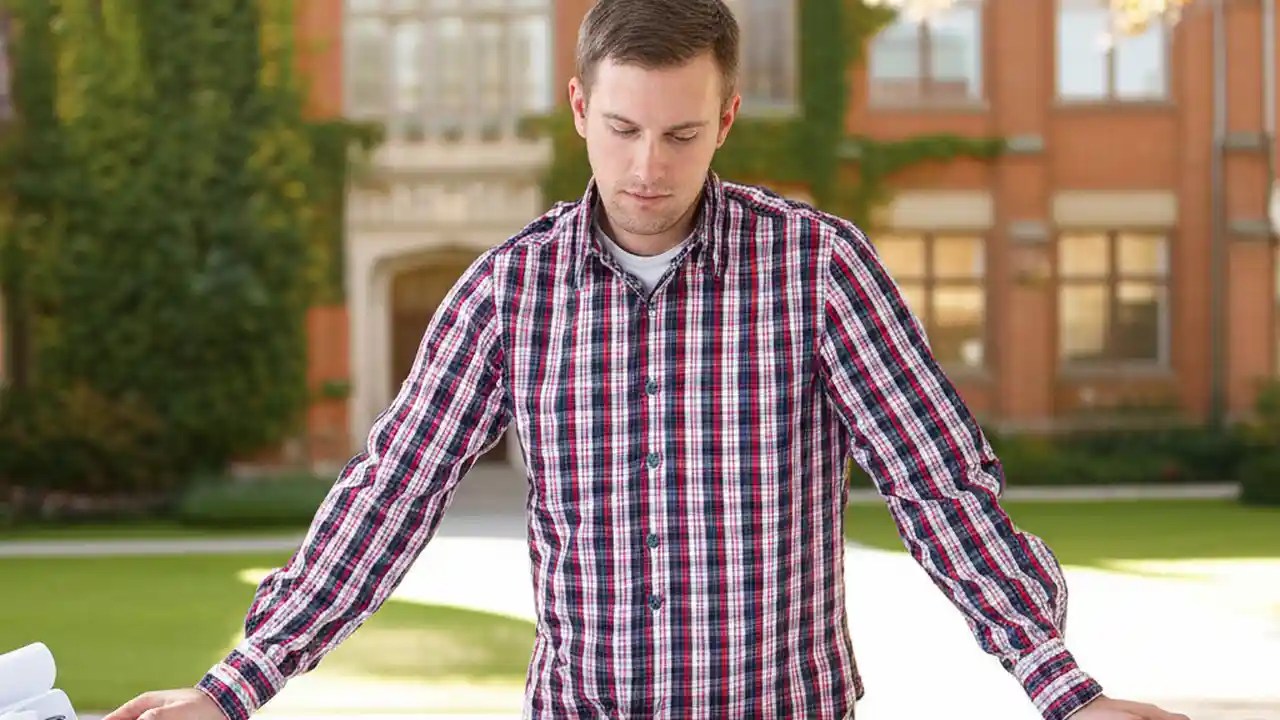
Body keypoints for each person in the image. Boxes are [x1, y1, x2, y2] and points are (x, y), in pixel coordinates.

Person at [105, 1, 1194, 719]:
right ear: (580, 109)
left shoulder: (815, 268)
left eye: (679, 135)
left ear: (725, 118)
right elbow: (388, 495)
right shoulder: (505, 291)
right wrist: (234, 688)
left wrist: (1064, 692)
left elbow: (935, 484)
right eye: (622, 128)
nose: (645, 167)